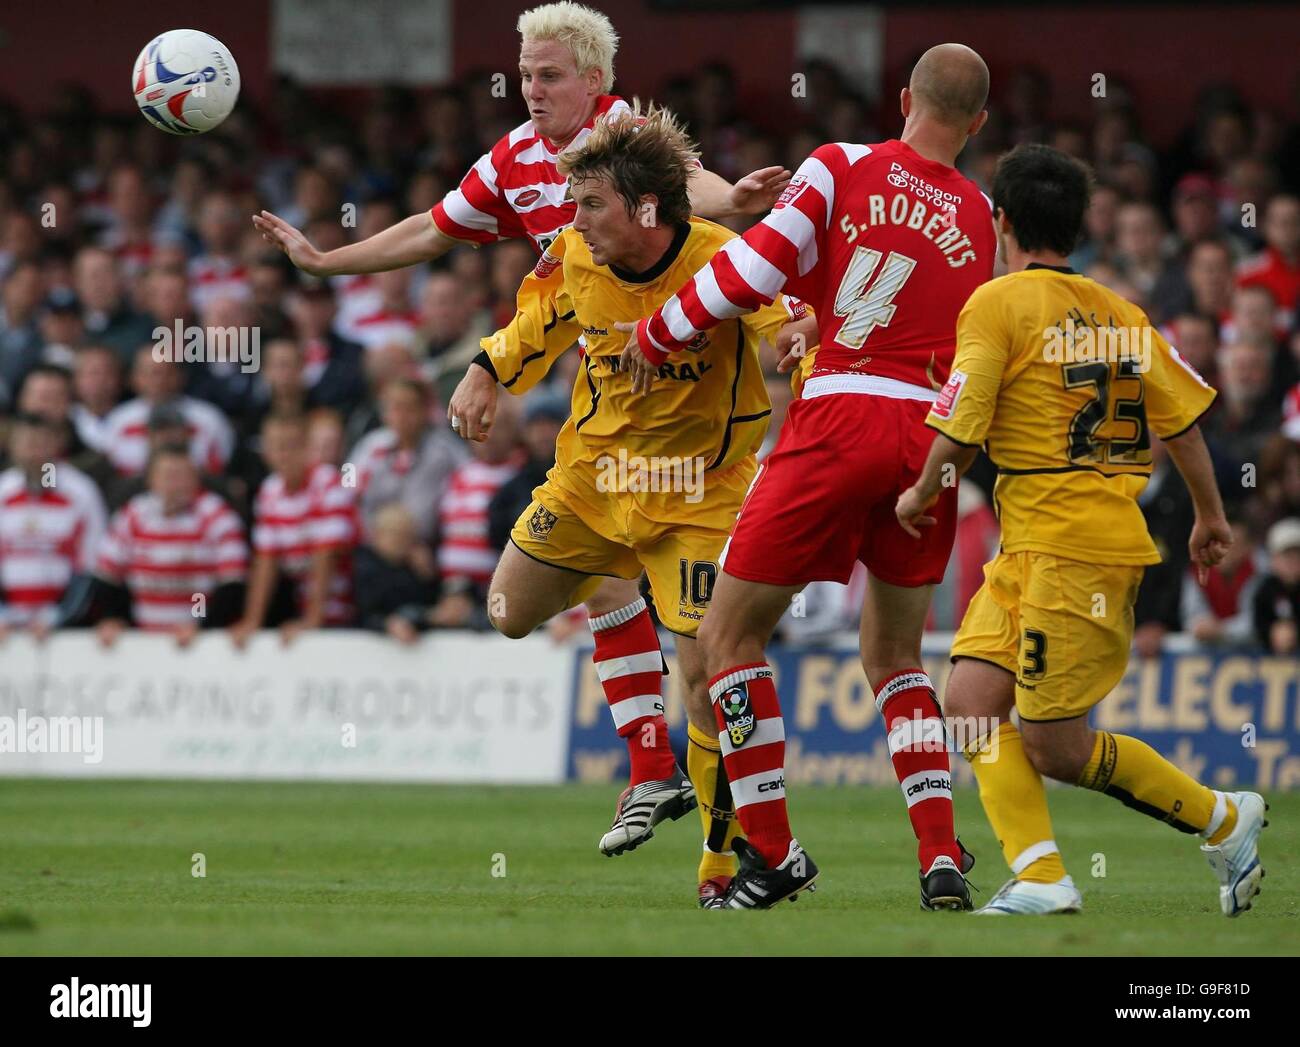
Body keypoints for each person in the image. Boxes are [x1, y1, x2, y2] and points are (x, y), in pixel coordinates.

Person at [620, 43, 996, 910]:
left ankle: (777, 850)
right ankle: (940, 854)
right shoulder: (980, 212)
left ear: (904, 97)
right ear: (976, 124)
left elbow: (753, 267)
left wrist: (659, 331)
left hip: (838, 419)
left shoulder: (842, 163)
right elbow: (942, 332)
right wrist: (818, 322)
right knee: (898, 656)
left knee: (725, 642)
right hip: (928, 436)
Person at [896, 143, 1267, 917]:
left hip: (1077, 550)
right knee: (967, 700)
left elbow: (960, 432)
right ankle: (1039, 874)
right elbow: (1188, 422)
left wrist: (920, 491)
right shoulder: (1121, 311)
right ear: (1074, 227)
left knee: (1054, 745)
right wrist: (1209, 514)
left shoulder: (995, 303)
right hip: (1031, 545)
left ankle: (1223, 819)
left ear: (1001, 221)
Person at [448, 104, 803, 905]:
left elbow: (790, 321)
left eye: (591, 205)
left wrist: (797, 342)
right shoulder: (574, 256)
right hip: (592, 482)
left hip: (697, 499)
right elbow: (531, 324)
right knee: (507, 607)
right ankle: (653, 762)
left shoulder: (725, 259)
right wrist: (483, 369)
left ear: (646, 208)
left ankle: (722, 860)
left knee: (711, 670)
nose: (574, 221)